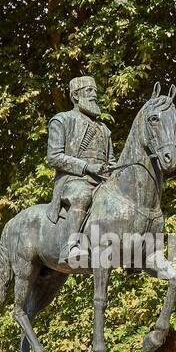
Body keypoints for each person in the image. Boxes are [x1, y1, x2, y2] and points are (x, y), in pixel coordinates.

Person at [46, 75, 113, 264]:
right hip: (72, 181)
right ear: (75, 96)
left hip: (101, 182)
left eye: (95, 91)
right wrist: (86, 167)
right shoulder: (61, 120)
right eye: (89, 91)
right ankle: (71, 246)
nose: (95, 95)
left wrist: (112, 169)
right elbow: (54, 157)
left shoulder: (104, 129)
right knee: (82, 194)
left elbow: (111, 160)